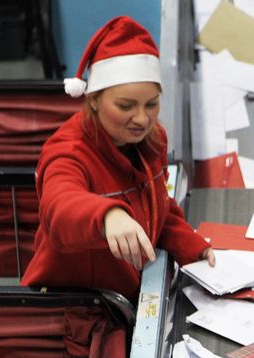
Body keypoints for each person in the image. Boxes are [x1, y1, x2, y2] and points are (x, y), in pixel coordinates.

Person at [22, 16, 214, 301]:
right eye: (126, 105)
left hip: (125, 297)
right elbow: (58, 208)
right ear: (94, 99)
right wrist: (107, 216)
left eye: (152, 104)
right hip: (76, 310)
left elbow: (158, 208)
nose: (142, 118)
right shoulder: (69, 151)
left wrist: (195, 249)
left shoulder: (151, 140)